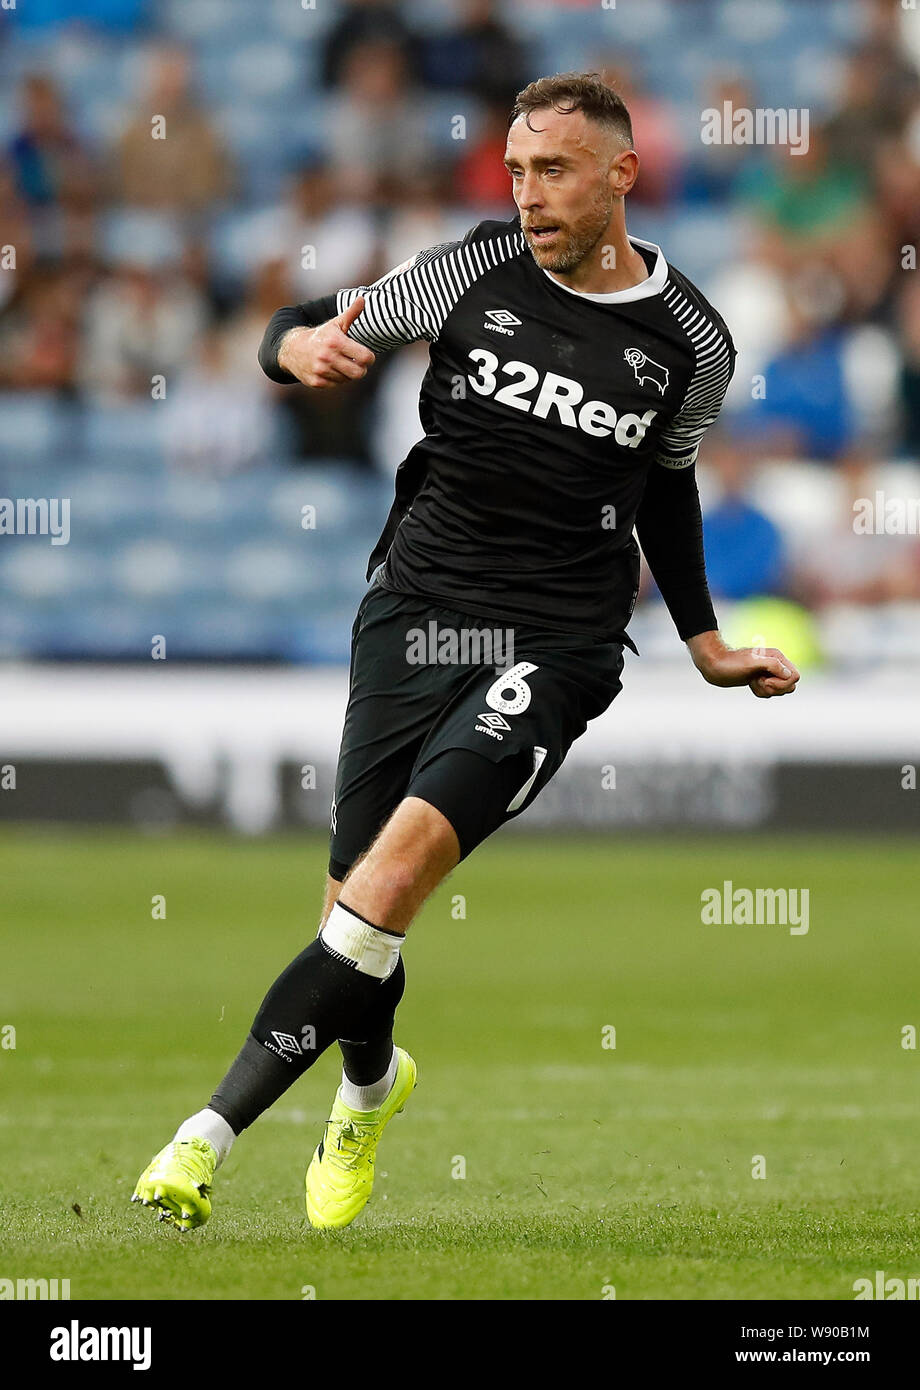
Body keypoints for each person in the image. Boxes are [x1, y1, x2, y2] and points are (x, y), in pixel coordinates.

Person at [133, 72, 799, 1234]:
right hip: (414, 611)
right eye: (515, 170)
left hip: (556, 640)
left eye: (550, 170)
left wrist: (699, 640)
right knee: (353, 906)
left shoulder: (688, 342)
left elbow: (666, 486)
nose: (527, 193)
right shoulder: (466, 270)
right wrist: (290, 355)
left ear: (619, 175)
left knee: (388, 884)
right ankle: (368, 1090)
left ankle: (203, 1136)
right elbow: (299, 324)